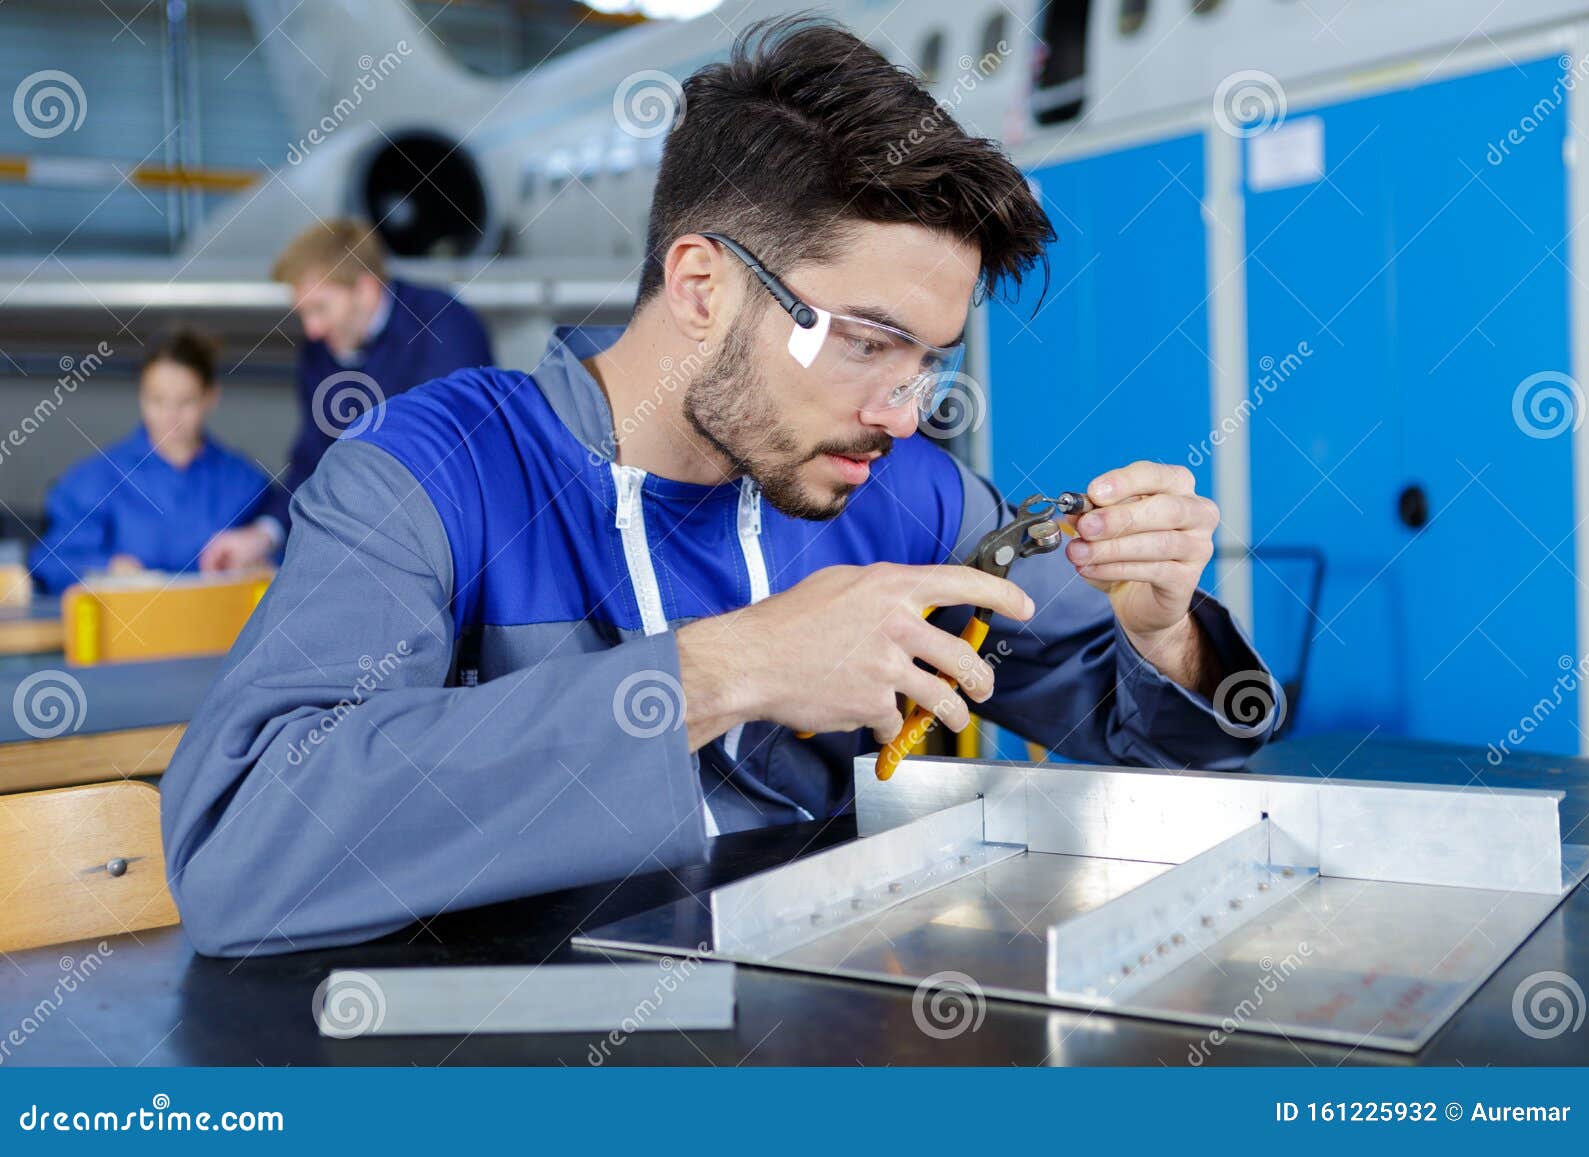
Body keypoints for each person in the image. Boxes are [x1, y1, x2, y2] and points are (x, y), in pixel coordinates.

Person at [162, 19, 1281, 958]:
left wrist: (1165, 633)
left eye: (929, 359)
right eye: (867, 343)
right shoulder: (434, 478)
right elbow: (239, 854)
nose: (906, 409)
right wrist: (727, 666)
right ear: (701, 285)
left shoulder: (911, 498)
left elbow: (1168, 740)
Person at [197, 218, 492, 571]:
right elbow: (315, 459)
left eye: (320, 308)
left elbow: (452, 452)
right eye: (304, 313)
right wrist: (263, 534)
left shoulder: (444, 325)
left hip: (460, 547)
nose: (312, 328)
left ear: (366, 291)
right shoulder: (318, 351)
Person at [30, 329, 273, 594]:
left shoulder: (244, 482)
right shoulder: (96, 480)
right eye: (157, 400)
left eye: (185, 401)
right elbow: (50, 562)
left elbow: (287, 557)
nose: (170, 416)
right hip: (125, 631)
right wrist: (106, 567)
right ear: (140, 396)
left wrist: (259, 560)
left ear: (210, 397)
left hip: (224, 633)